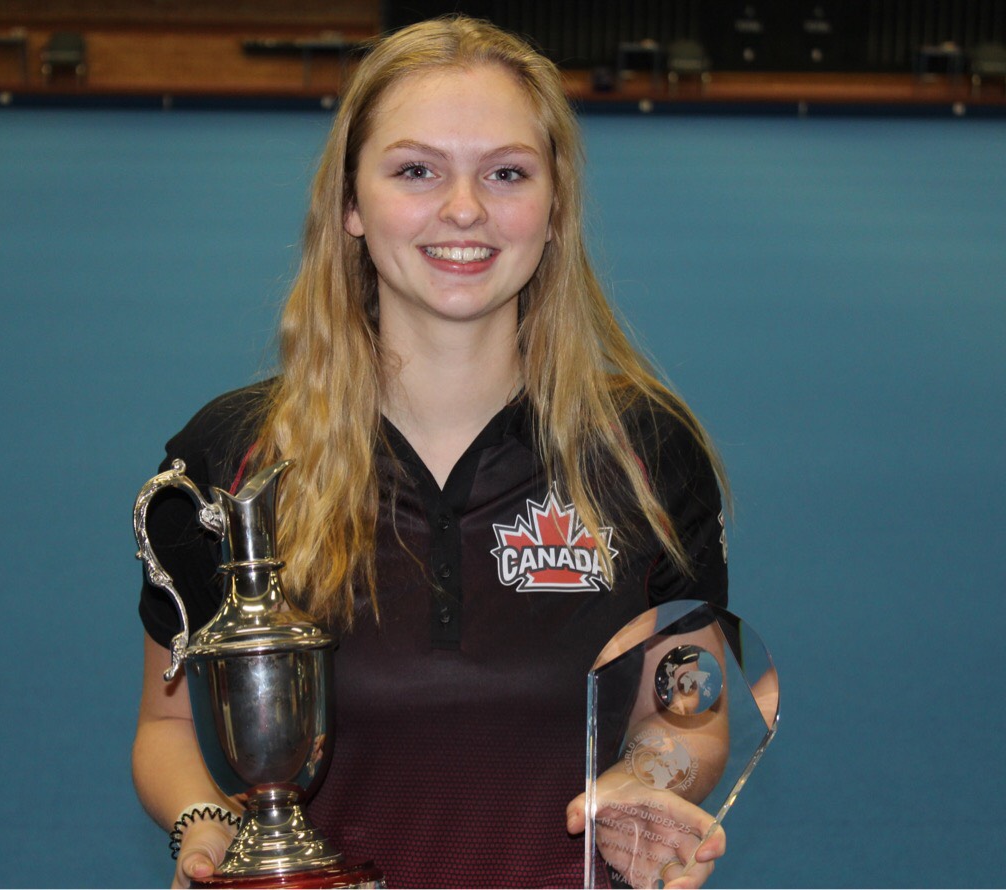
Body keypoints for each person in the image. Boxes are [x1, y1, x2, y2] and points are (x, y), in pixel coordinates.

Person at [133, 15, 731, 889]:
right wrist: (207, 823)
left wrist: (652, 780)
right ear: (350, 204)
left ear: (555, 208)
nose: (464, 209)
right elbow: (168, 728)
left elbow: (689, 710)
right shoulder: (231, 464)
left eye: (506, 173)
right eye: (416, 170)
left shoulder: (645, 454)